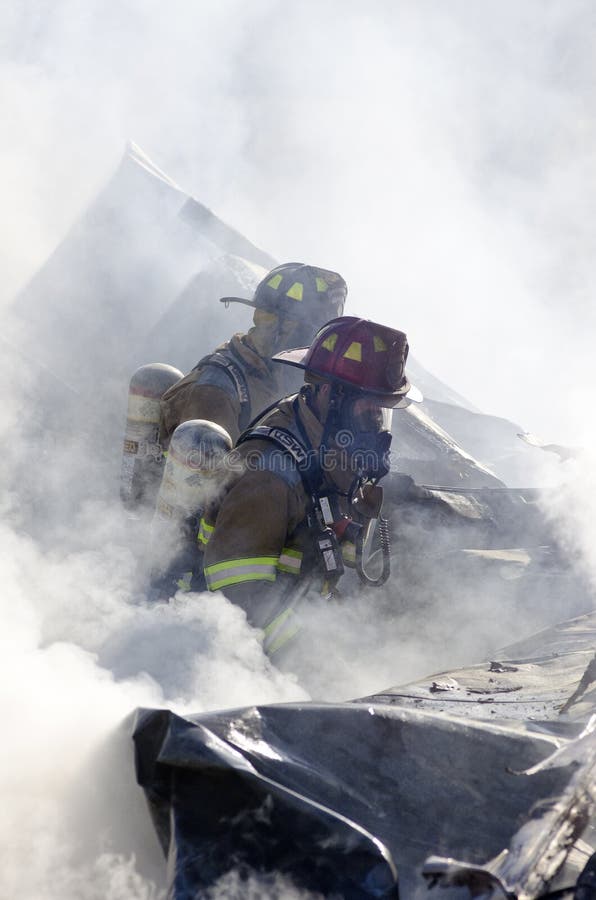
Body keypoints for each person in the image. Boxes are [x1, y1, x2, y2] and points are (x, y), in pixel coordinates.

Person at [201, 316, 414, 654]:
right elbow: (235, 604)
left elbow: (320, 538)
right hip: (229, 653)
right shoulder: (268, 478)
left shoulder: (324, 444)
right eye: (369, 411)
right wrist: (317, 656)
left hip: (291, 619)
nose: (377, 427)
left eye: (382, 413)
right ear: (331, 394)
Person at [159, 262, 348, 447]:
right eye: (312, 337)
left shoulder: (275, 378)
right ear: (282, 329)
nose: (314, 350)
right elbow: (211, 475)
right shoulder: (216, 391)